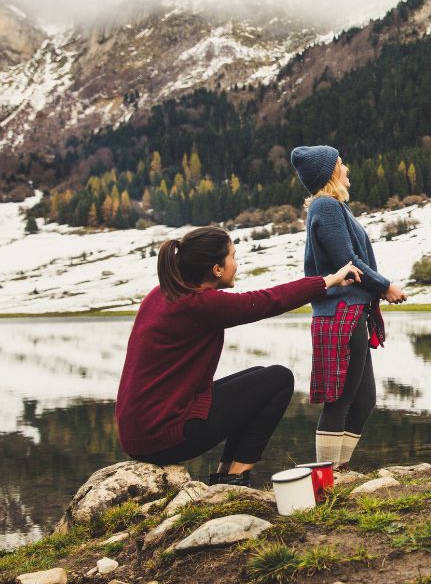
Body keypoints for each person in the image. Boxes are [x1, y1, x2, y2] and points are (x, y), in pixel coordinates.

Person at [115, 226, 362, 486]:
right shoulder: (198, 304)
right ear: (216, 269)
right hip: (163, 437)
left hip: (142, 432)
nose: (237, 263)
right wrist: (329, 280)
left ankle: (224, 475)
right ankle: (234, 479)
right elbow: (269, 300)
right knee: (278, 379)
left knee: (257, 377)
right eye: (233, 256)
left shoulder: (162, 294)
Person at [292, 145, 407, 471]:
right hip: (340, 313)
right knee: (341, 400)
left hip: (350, 312)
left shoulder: (333, 207)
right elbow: (348, 262)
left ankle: (336, 472)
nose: (347, 169)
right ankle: (326, 478)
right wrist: (384, 286)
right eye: (341, 164)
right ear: (329, 172)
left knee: (364, 400)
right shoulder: (326, 207)